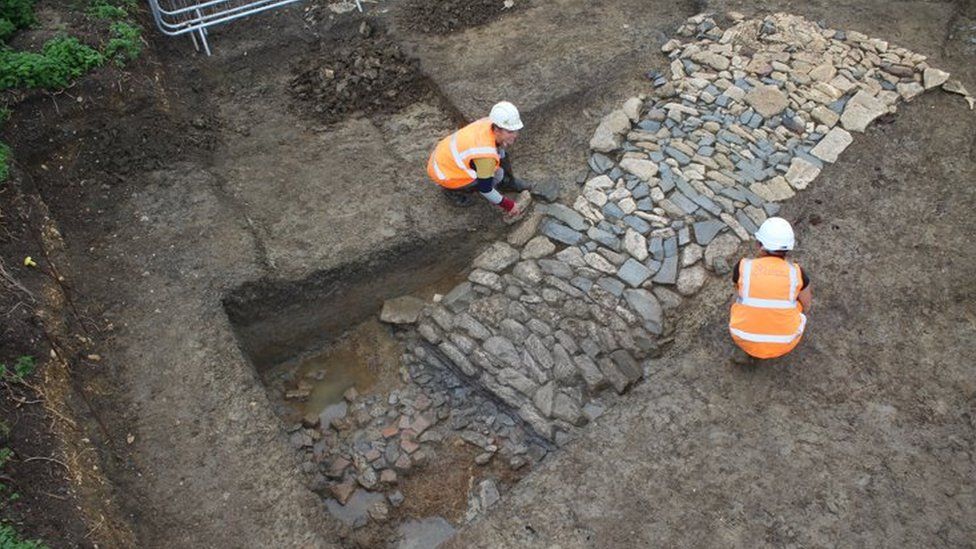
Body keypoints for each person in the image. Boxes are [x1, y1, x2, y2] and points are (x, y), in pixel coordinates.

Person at [426, 101, 532, 220]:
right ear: (497, 130)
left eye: (516, 130)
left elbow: (500, 153)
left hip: (446, 156)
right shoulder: (485, 156)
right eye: (510, 132)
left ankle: (508, 183)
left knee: (501, 162)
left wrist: (506, 178)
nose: (515, 135)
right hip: (445, 173)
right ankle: (452, 191)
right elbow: (485, 189)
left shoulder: (489, 122)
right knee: (489, 180)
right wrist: (509, 205)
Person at [729, 217, 812, 361]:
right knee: (797, 300)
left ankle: (748, 349)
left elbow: (737, 294)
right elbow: (807, 305)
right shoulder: (797, 273)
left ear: (760, 245)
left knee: (741, 297)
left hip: (742, 336)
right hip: (785, 342)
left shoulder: (743, 267)